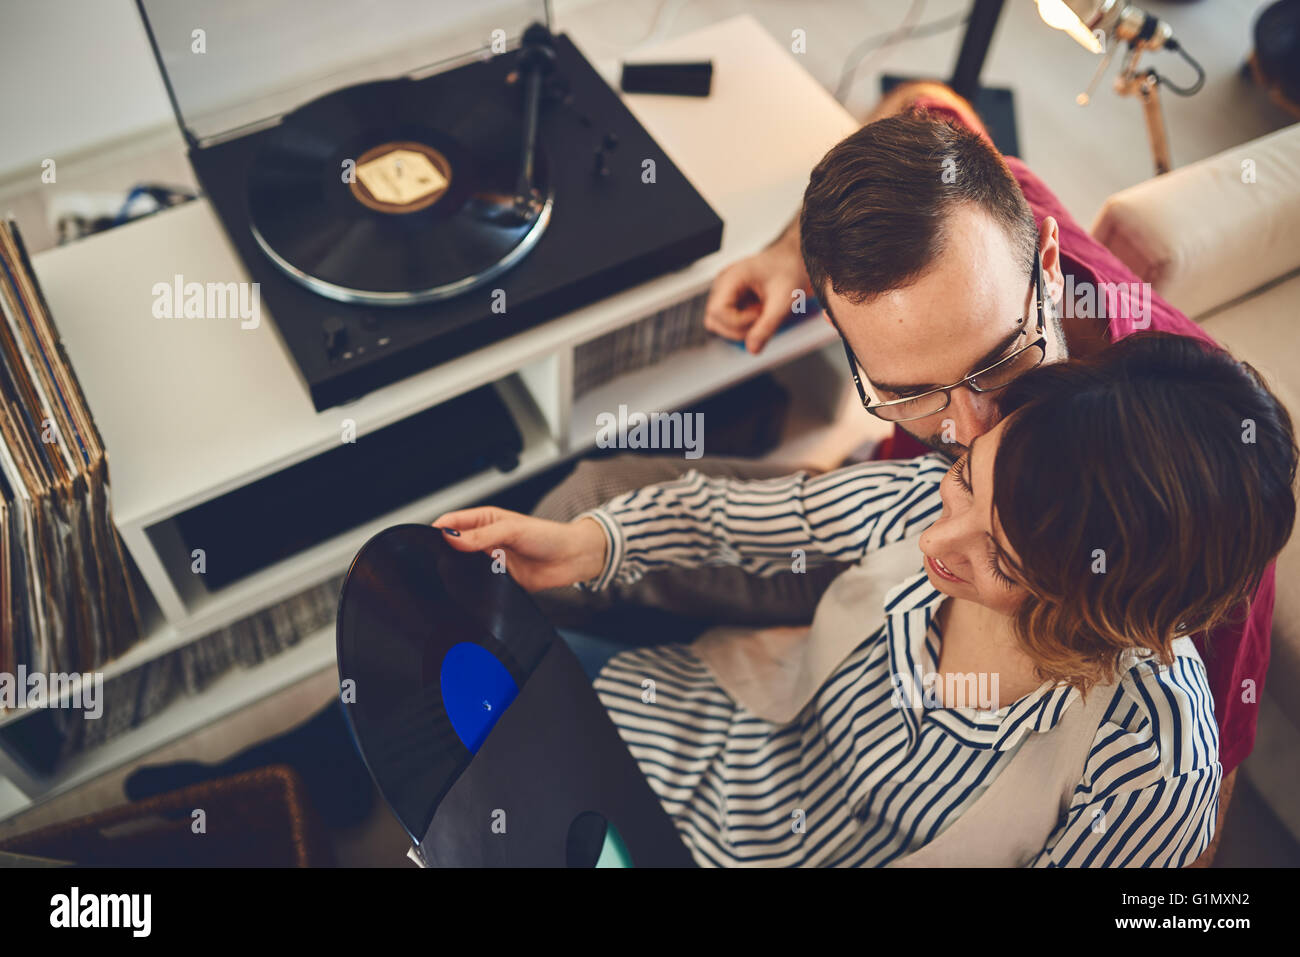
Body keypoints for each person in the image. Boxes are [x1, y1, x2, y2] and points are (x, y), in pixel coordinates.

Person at [527, 82, 1279, 861]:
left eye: (998, 362)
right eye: (910, 391)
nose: (972, 428)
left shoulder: (1187, 494)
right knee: (576, 514)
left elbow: (1202, 786)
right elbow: (919, 101)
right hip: (854, 557)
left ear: (1047, 267)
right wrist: (790, 254)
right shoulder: (969, 202)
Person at [434, 333, 1298, 866]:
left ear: (1109, 605)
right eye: (966, 481)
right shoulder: (933, 500)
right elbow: (753, 517)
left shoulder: (1150, 774)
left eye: (1000, 557)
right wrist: (588, 544)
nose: (934, 540)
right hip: (710, 732)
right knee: (450, 748)